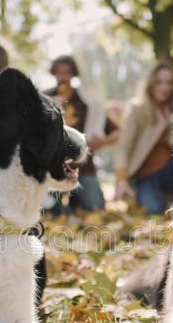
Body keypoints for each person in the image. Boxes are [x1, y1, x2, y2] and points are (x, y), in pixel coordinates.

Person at [43, 55, 118, 212]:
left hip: (82, 169)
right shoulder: (43, 99)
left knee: (95, 207)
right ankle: (61, 205)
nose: (63, 76)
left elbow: (117, 132)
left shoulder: (88, 104)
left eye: (67, 72)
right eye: (59, 72)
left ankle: (75, 199)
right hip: (48, 169)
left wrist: (102, 142)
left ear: (73, 74)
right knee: (49, 210)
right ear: (54, 73)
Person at [114, 61, 173, 214]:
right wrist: (121, 178)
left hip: (172, 169)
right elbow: (124, 147)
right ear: (151, 84)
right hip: (146, 174)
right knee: (153, 209)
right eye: (159, 82)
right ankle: (162, 199)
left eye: (169, 83)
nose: (164, 88)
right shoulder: (137, 108)